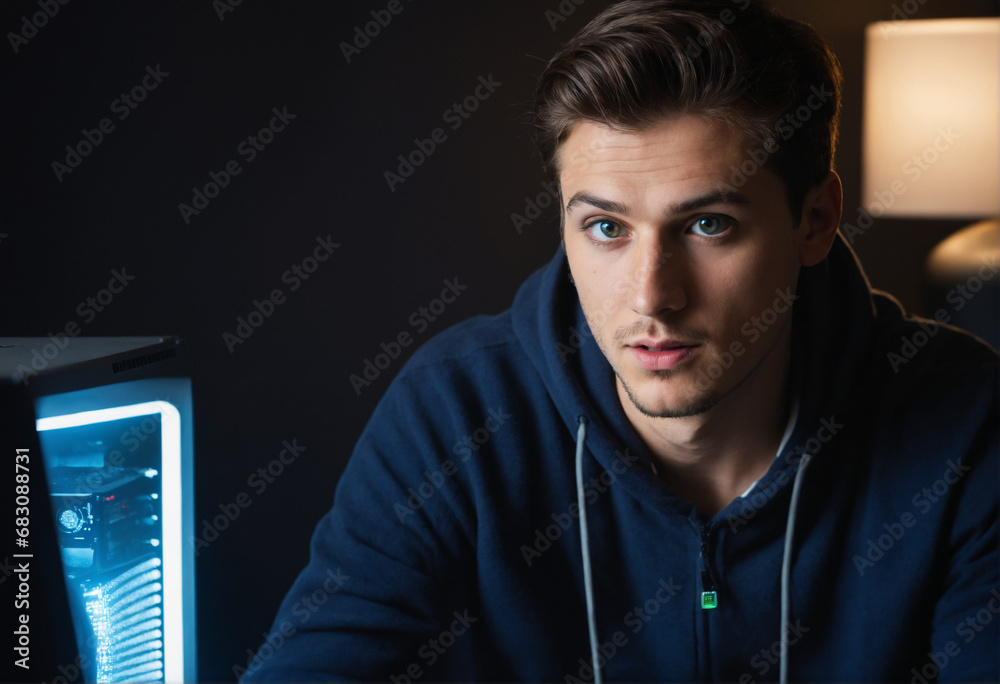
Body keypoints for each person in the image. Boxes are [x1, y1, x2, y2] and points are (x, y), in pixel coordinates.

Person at [241, 1, 999, 681]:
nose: (651, 297)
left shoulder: (966, 420)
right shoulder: (457, 413)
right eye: (606, 228)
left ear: (815, 221)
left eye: (709, 225)